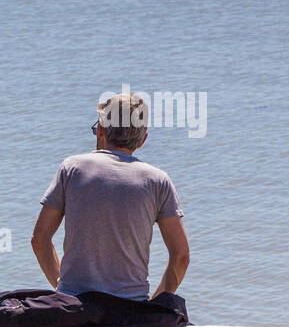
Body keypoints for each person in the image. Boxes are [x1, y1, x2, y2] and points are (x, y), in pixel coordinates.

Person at [31, 92, 190, 301]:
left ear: (101, 131)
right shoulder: (158, 180)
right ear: (143, 140)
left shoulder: (72, 169)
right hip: (130, 311)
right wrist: (154, 304)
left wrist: (65, 288)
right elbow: (181, 257)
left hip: (75, 308)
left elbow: (39, 240)